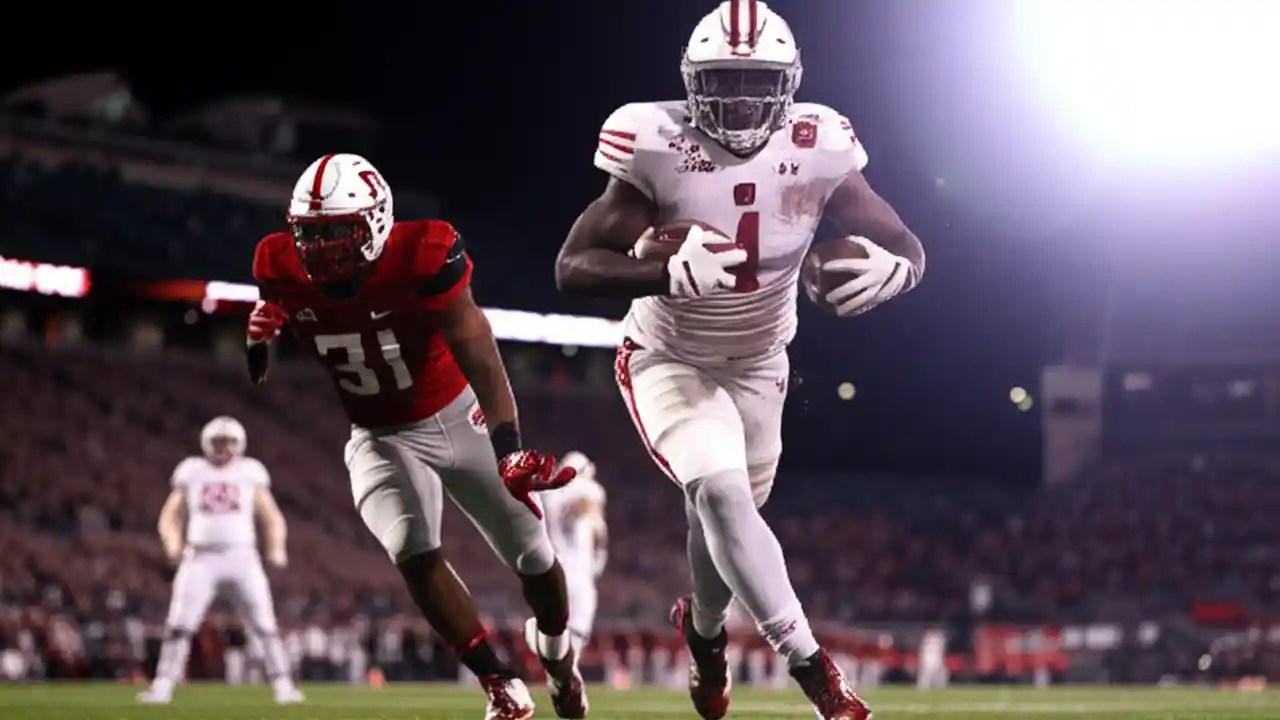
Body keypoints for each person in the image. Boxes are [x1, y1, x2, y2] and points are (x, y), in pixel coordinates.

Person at [554, 2, 925, 718]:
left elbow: (904, 240)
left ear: (790, 85)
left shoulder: (821, 142)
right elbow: (574, 266)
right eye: (724, 80)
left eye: (759, 83)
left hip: (761, 364)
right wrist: (662, 273)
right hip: (669, 357)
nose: (741, 99)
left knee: (723, 518)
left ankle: (702, 634)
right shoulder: (654, 140)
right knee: (720, 496)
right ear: (693, 82)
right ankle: (819, 676)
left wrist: (902, 270)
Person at [249, 153, 585, 720]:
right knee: (411, 548)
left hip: (457, 413)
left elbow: (479, 349)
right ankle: (499, 684)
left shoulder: (424, 253)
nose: (322, 248)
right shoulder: (275, 263)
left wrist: (509, 448)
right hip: (378, 432)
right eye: (311, 234)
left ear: (377, 222)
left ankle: (555, 650)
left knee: (533, 554)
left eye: (338, 233)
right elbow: (270, 333)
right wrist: (258, 341)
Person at [137, 416, 304, 705]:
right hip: (200, 556)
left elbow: (271, 515)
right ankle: (163, 685)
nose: (223, 448)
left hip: (242, 556)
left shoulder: (250, 471)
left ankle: (283, 685)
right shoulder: (192, 470)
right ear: (206, 443)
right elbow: (170, 515)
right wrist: (173, 544)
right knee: (179, 624)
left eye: (228, 442)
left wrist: (276, 547)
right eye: (218, 442)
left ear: (239, 444)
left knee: (265, 625)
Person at [537, 452, 608, 652]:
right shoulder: (584, 490)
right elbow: (593, 513)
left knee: (558, 628)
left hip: (553, 566)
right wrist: (600, 551)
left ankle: (558, 668)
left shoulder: (549, 494)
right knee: (578, 625)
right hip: (576, 570)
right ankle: (569, 670)